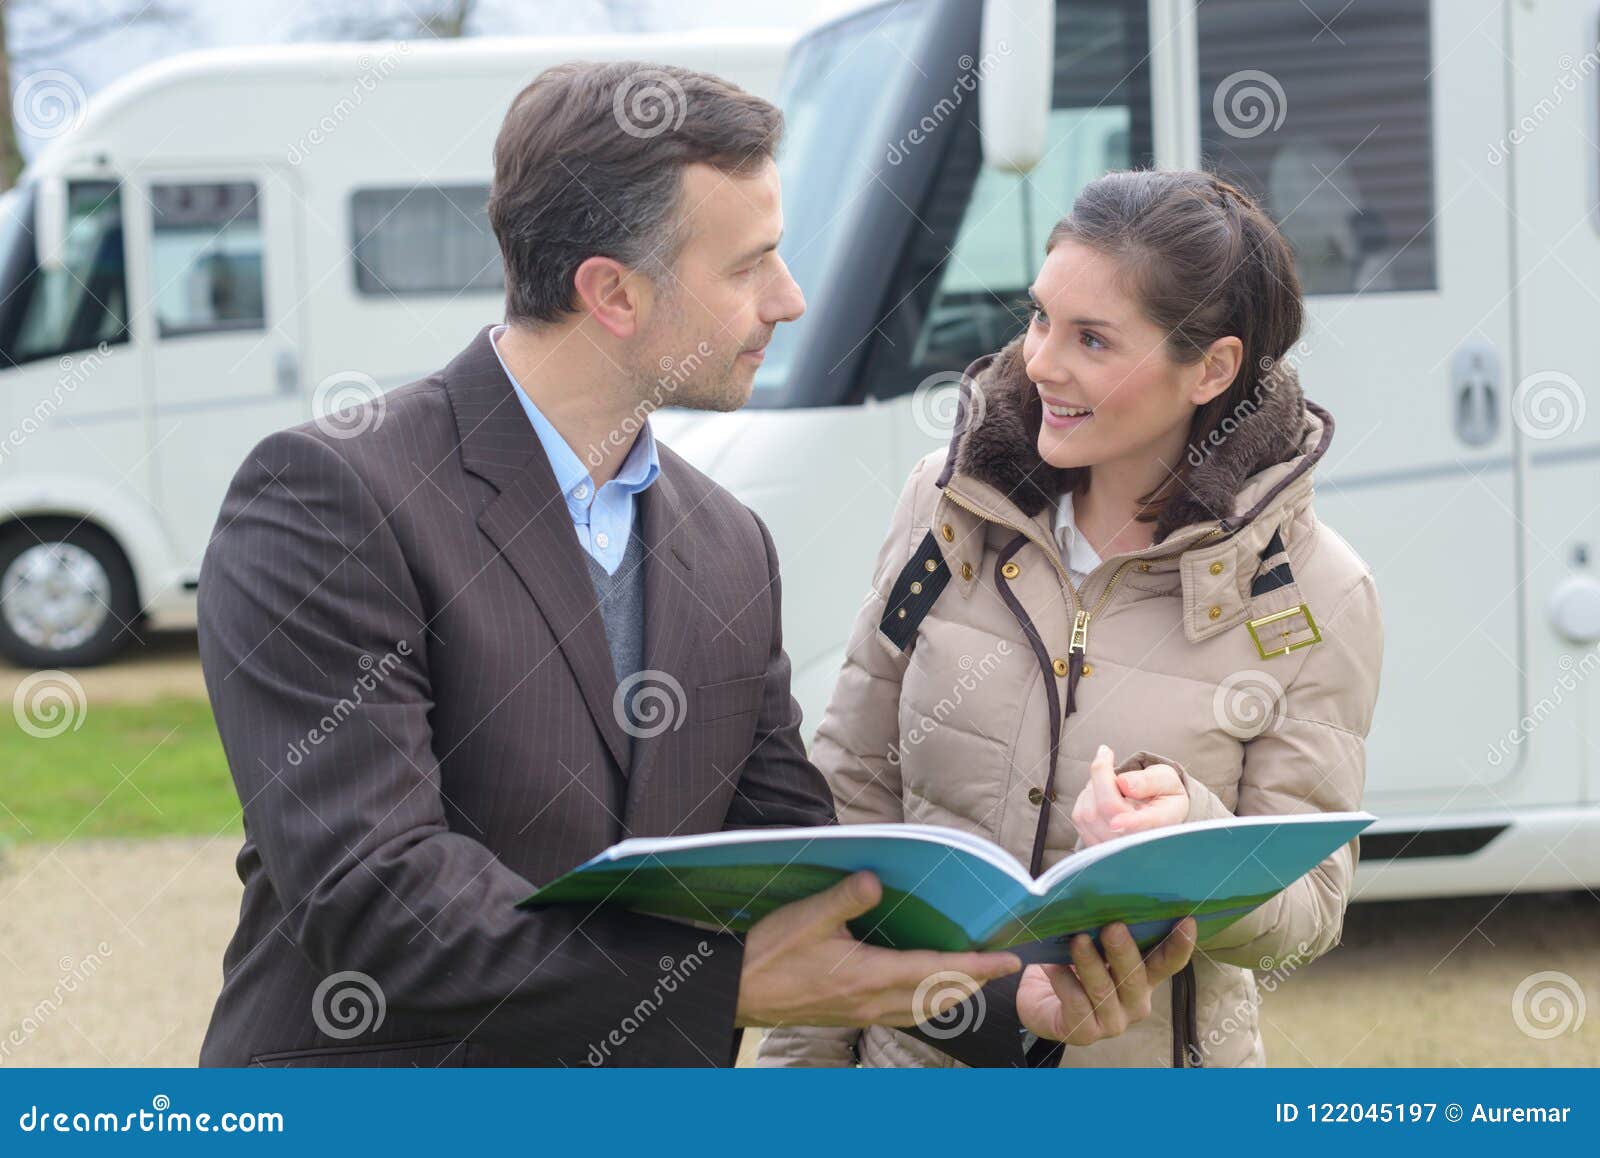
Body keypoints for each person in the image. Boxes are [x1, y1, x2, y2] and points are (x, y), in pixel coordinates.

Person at [195, 62, 1194, 1068]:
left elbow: (805, 870)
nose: (790, 299)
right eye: (748, 266)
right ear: (613, 295)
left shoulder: (725, 542)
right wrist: (718, 981)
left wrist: (1015, 992)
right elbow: (375, 896)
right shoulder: (327, 499)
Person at [758, 169, 1384, 1069]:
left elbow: (1306, 917)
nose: (1041, 360)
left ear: (1212, 368)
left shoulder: (1324, 594)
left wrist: (1195, 837)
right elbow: (851, 802)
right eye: (1040, 317)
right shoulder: (943, 503)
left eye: (1091, 338)